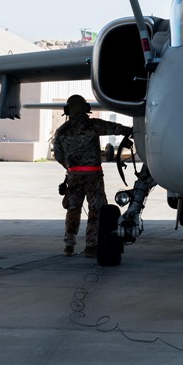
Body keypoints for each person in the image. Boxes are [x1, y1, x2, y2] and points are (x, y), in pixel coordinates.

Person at [52, 94, 132, 257]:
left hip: (74, 175)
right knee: (96, 209)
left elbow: (58, 155)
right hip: (93, 176)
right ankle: (91, 245)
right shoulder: (93, 125)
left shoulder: (62, 130)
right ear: (86, 109)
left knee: (73, 209)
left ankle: (69, 244)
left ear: (68, 110)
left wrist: (70, 167)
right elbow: (114, 128)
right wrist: (131, 131)